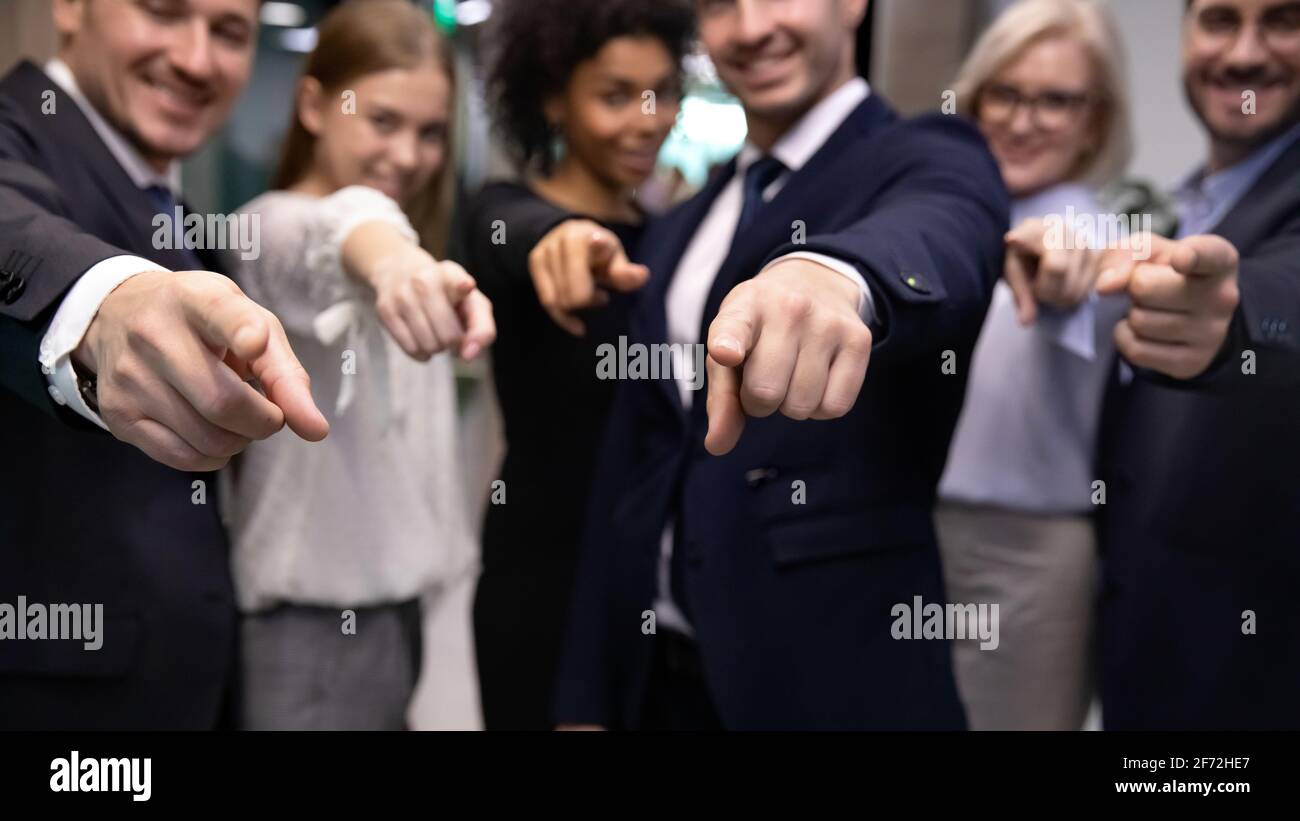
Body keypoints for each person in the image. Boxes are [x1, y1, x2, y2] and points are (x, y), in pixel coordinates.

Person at [539, 0, 1009, 730]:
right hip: (657, 686)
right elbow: (631, 466)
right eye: (722, 5)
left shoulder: (928, 153)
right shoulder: (680, 223)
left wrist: (837, 274)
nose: (752, 28)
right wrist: (585, 696)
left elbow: (945, 226)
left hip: (830, 687)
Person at [0, 0, 327, 730]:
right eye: (163, 11)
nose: (196, 59)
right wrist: (108, 303)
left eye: (230, 33)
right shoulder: (18, 131)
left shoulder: (184, 218)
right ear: (71, 7)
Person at [1011, 0, 1300, 729]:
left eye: (1284, 20)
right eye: (1218, 20)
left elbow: (1276, 291)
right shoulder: (1178, 203)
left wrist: (1237, 322)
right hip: (1153, 656)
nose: (1242, 53)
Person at [227, 0, 494, 730]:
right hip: (310, 629)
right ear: (315, 104)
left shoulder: (417, 248)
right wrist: (398, 263)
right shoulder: (264, 224)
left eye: (430, 132)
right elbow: (334, 233)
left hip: (415, 613)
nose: (407, 154)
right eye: (383, 121)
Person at [464, 0, 694, 731]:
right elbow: (516, 238)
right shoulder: (504, 209)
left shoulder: (673, 237)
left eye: (662, 92)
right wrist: (562, 238)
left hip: (648, 589)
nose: (647, 119)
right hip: (543, 584)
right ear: (554, 98)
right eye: (615, 95)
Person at [934, 0, 1132, 730]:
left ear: (1095, 119)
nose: (1022, 121)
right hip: (913, 533)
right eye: (1007, 93)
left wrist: (1059, 261)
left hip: (1026, 555)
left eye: (1056, 100)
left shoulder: (1099, 235)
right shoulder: (947, 220)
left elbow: (1064, 260)